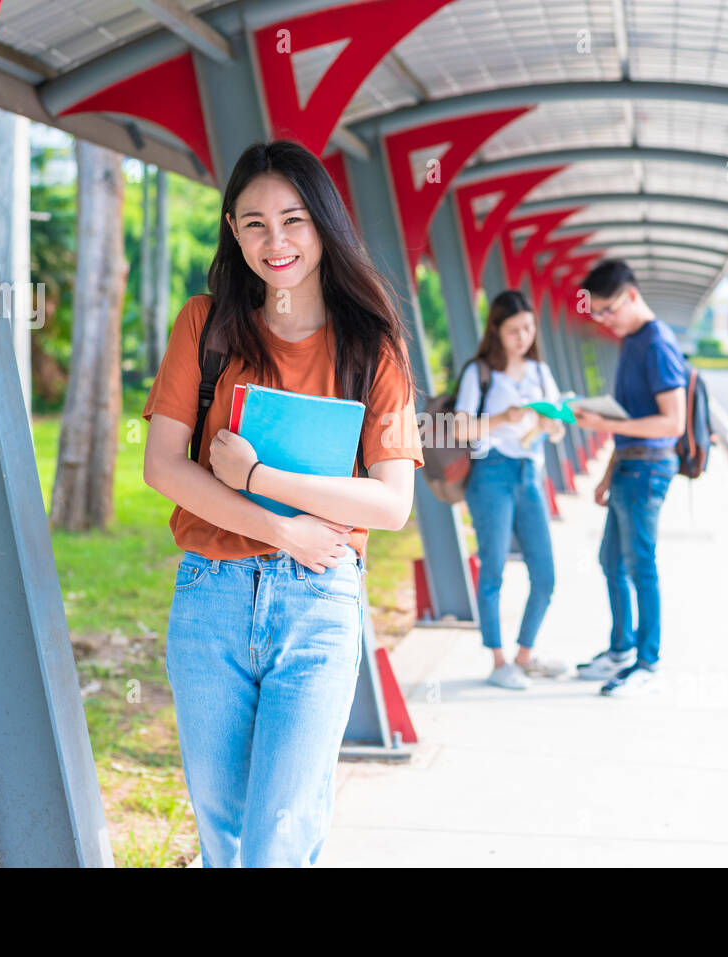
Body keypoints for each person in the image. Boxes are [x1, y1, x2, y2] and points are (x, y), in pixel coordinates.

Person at [141, 140, 423, 866]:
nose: (277, 242)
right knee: (224, 833)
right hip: (211, 594)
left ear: (324, 224)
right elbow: (165, 467)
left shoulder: (372, 348)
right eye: (255, 223)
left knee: (281, 833)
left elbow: (391, 502)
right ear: (233, 231)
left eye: (293, 220)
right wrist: (282, 529)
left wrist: (258, 476)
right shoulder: (204, 325)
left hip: (319, 601)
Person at [569, 260, 687, 698]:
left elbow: (671, 422)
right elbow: (630, 415)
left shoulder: (656, 343)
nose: (604, 320)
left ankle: (648, 661)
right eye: (596, 313)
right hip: (628, 466)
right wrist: (607, 471)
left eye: (608, 310)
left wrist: (602, 425)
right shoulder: (633, 340)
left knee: (640, 567)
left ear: (632, 296)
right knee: (612, 562)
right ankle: (621, 650)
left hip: (648, 468)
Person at [451, 290, 568, 690]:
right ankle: (499, 660)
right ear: (496, 331)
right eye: (514, 330)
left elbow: (556, 430)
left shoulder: (539, 372)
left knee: (546, 574)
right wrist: (503, 417)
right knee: (494, 568)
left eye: (529, 328)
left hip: (528, 475)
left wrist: (553, 425)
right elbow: (461, 428)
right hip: (491, 475)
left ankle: (524, 655)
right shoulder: (480, 372)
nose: (524, 337)